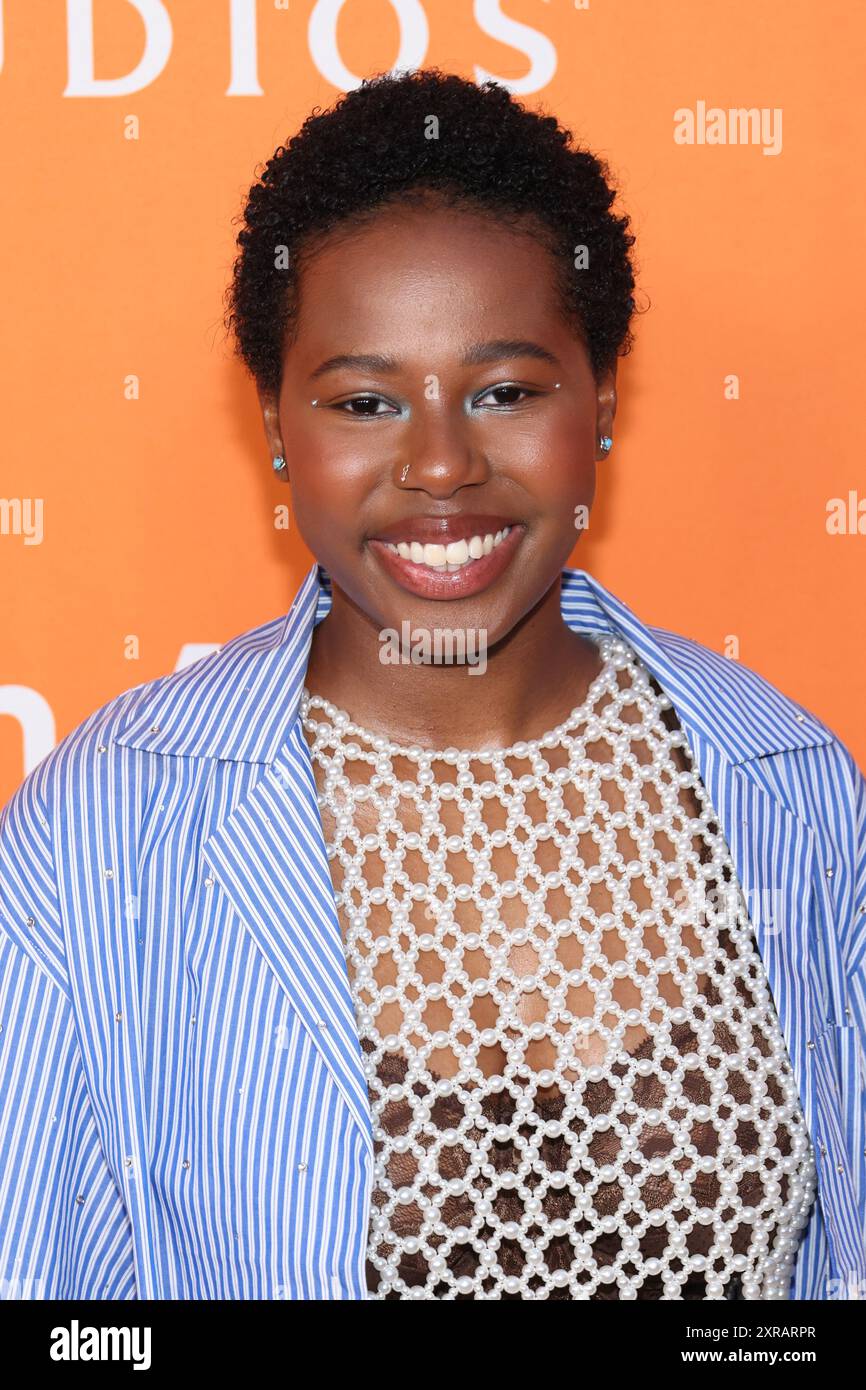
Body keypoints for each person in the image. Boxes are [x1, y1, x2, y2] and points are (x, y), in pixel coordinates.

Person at [1, 68, 864, 1302]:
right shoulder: (108, 830)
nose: (442, 464)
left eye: (504, 390)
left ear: (604, 400)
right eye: (363, 400)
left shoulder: (786, 783)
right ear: (276, 428)